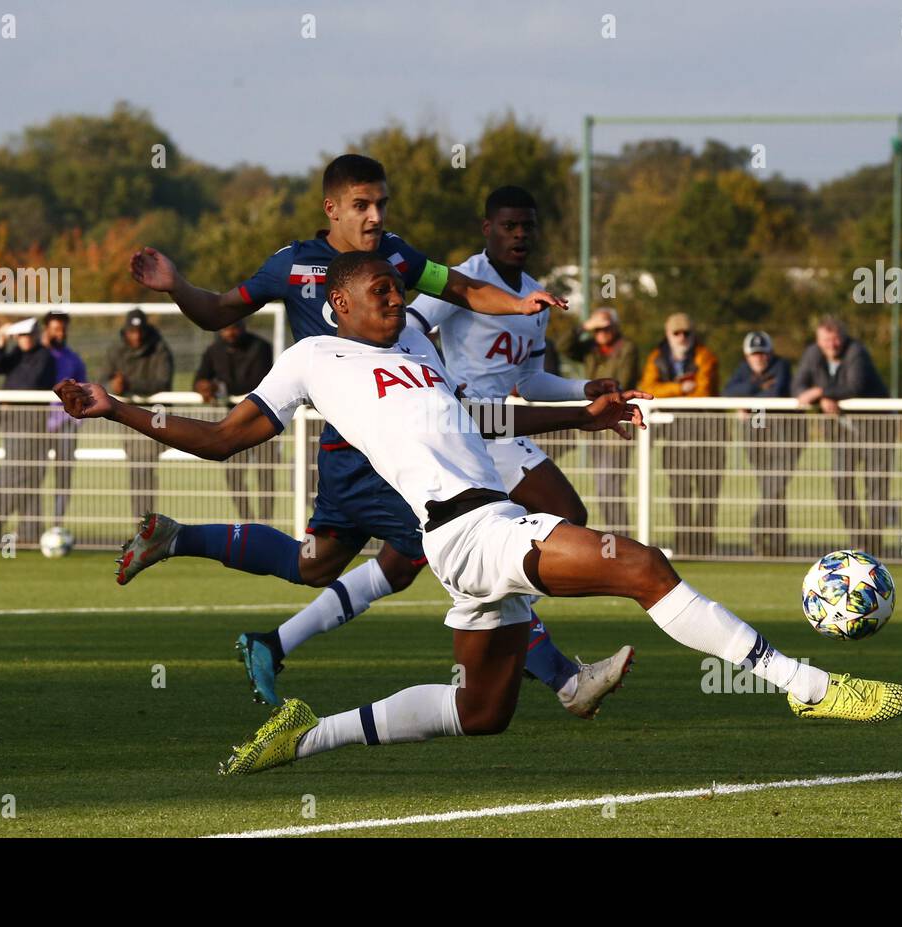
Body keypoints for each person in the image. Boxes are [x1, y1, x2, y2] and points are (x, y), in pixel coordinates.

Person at [54, 251, 902, 777]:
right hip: (474, 530)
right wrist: (115, 406)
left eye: (400, 292)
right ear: (343, 305)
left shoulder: (421, 354)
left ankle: (305, 737)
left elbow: (487, 419)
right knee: (642, 563)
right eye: (383, 294)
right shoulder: (315, 355)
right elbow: (222, 438)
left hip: (473, 532)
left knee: (482, 713)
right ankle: (809, 686)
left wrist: (585, 412)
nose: (399, 302)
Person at [120, 154, 636, 722]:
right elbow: (218, 311)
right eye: (362, 206)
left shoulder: (395, 255)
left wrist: (516, 303)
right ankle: (566, 681)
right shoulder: (294, 266)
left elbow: (459, 287)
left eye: (382, 204)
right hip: (368, 451)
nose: (374, 217)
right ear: (332, 209)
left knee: (316, 564)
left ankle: (181, 544)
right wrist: (177, 286)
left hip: (387, 443)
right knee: (468, 546)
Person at [396, 185, 634, 715]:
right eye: (509, 225)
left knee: (533, 535)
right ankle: (547, 662)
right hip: (470, 427)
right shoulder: (462, 280)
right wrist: (435, 382)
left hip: (504, 422)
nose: (519, 234)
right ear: (488, 229)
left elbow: (528, 377)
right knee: (565, 517)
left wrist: (582, 389)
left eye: (527, 226)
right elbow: (407, 324)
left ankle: (541, 658)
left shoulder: (536, 296)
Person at [793, 317, 893, 557]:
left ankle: (874, 544)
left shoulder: (857, 352)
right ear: (819, 340)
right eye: (827, 339)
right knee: (841, 482)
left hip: (875, 428)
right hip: (841, 433)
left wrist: (821, 392)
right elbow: (798, 386)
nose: (832, 344)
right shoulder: (812, 354)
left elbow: (855, 385)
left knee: (876, 486)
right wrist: (817, 396)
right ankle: (858, 541)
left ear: (844, 337)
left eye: (836, 338)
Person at [639, 312, 723, 557]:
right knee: (679, 489)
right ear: (668, 335)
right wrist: (679, 388)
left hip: (707, 433)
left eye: (687, 333)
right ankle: (684, 542)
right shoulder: (657, 357)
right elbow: (647, 389)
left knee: (708, 489)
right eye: (677, 333)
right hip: (673, 434)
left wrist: (671, 393)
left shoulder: (705, 356)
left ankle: (704, 545)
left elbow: (703, 391)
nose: (682, 337)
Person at [0, 317, 56, 546]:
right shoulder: (17, 355)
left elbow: (31, 384)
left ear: (35, 335)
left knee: (15, 476)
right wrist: (0, 342)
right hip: (13, 423)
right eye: (21, 336)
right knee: (27, 476)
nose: (24, 340)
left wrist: (8, 400)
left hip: (30, 424)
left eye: (28, 335)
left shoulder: (44, 356)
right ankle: (30, 531)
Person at [563, 307, 639, 533]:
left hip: (615, 421)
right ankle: (617, 535)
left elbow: (621, 382)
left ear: (616, 327)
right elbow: (563, 346)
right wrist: (584, 327)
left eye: (606, 327)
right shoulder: (590, 349)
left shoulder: (627, 349)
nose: (602, 332)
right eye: (598, 329)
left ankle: (621, 536)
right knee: (602, 484)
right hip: (596, 423)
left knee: (610, 483)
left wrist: (600, 398)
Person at [724, 331, 798, 557]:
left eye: (763, 354)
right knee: (771, 489)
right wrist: (758, 387)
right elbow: (728, 392)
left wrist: (749, 396)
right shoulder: (743, 371)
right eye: (754, 355)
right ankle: (775, 544)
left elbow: (776, 394)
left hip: (782, 438)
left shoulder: (782, 366)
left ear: (770, 354)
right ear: (747, 356)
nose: (759, 359)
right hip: (755, 440)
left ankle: (760, 534)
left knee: (775, 488)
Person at [193, 321, 275, 523]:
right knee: (234, 476)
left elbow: (256, 385)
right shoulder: (213, 350)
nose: (230, 332)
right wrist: (204, 386)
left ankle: (265, 524)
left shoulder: (261, 347)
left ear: (243, 327)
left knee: (266, 475)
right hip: (233, 425)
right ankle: (248, 523)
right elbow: (198, 379)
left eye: (234, 328)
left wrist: (219, 387)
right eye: (226, 328)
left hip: (263, 421)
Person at [101, 308, 174, 518]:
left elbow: (163, 382)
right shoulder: (115, 350)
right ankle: (142, 523)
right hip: (127, 418)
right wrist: (113, 386)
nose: (136, 336)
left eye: (139, 331)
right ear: (126, 331)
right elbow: (103, 380)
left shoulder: (159, 347)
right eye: (132, 331)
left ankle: (145, 523)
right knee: (138, 471)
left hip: (155, 416)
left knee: (143, 470)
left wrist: (129, 384)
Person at [40, 311, 86, 529]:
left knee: (63, 475)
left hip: (65, 424)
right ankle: (30, 525)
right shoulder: (36, 355)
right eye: (56, 329)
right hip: (36, 424)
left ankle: (56, 526)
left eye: (63, 329)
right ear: (46, 330)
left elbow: (84, 389)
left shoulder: (72, 358)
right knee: (32, 474)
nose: (60, 334)